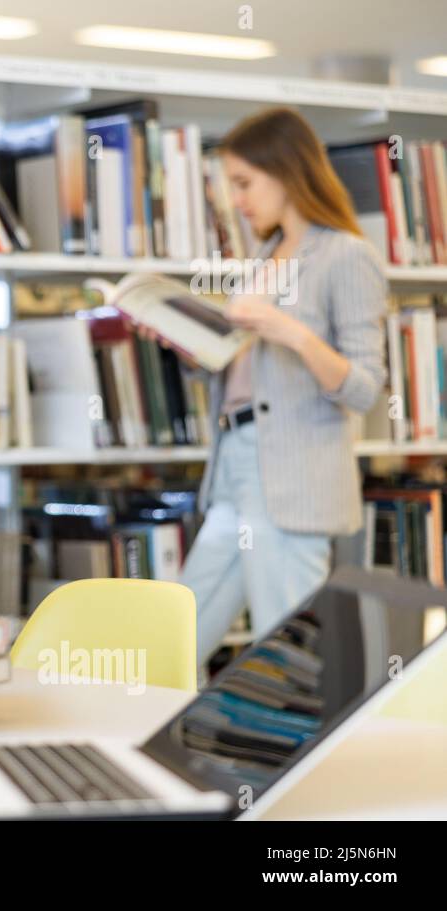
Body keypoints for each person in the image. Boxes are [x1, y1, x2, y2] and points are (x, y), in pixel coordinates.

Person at [174, 107, 388, 664]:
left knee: (286, 646)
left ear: (287, 171)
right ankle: (136, 741)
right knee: (175, 633)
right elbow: (248, 370)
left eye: (245, 183)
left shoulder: (346, 255)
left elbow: (365, 388)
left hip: (295, 476)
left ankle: (305, 750)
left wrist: (291, 333)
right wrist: (192, 346)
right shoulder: (264, 259)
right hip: (236, 464)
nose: (238, 201)